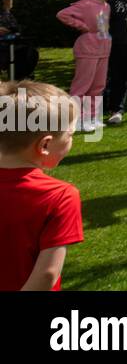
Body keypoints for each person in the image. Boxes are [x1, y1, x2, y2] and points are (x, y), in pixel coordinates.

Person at [0, 81, 83, 290]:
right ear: (45, 144)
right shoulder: (61, 196)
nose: (72, 141)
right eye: (70, 135)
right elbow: (47, 275)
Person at [56, 0, 114, 131]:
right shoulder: (86, 4)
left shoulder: (107, 6)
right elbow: (62, 14)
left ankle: (92, 117)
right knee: (82, 85)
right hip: (88, 48)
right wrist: (82, 26)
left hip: (103, 48)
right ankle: (76, 119)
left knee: (98, 85)